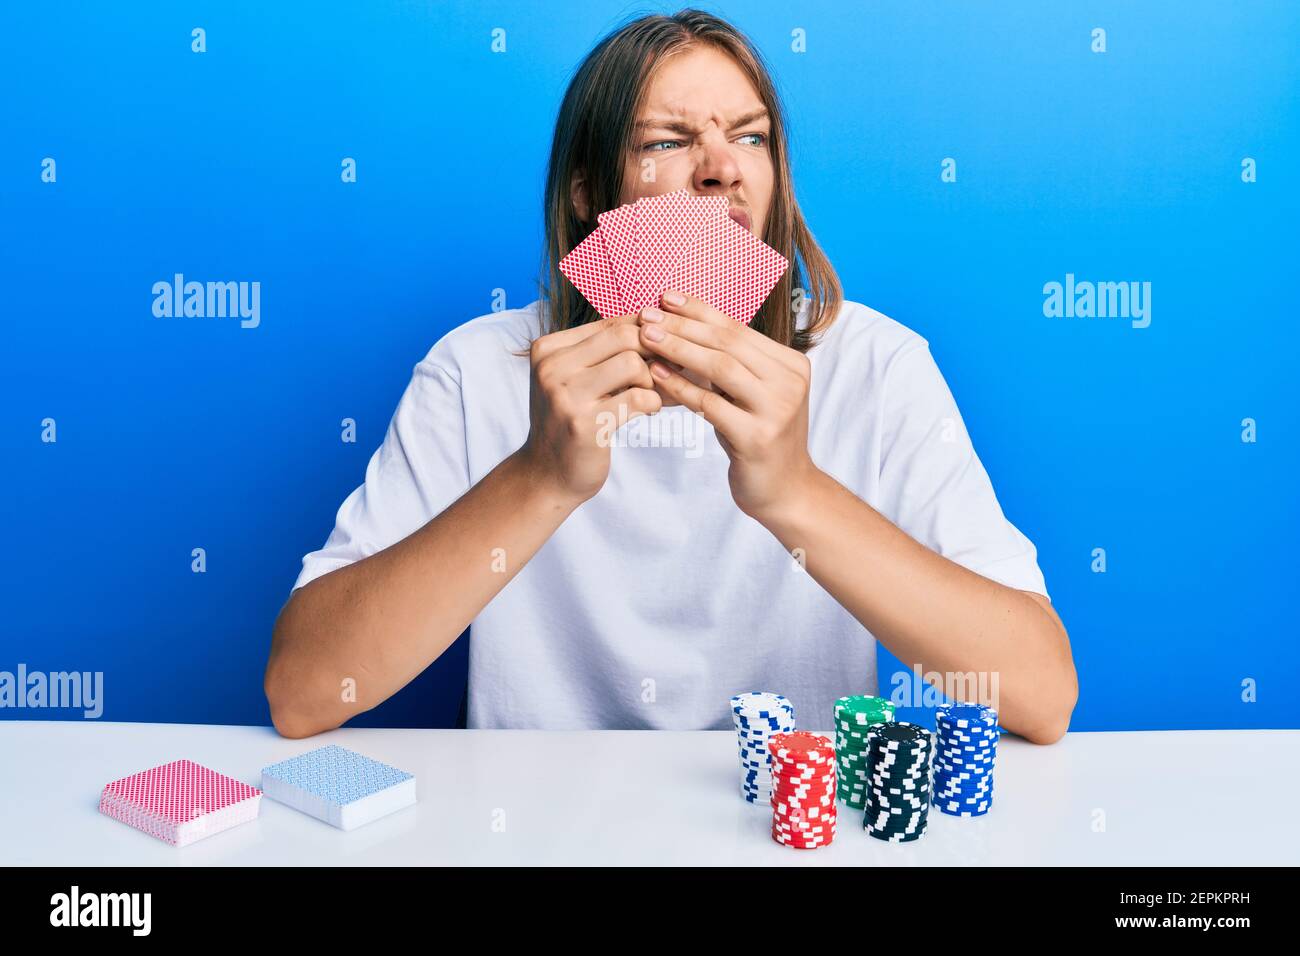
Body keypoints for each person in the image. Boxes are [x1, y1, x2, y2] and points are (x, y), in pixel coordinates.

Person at [265, 9, 1077, 743]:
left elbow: (1042, 694)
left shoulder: (877, 366)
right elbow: (303, 691)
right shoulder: (475, 370)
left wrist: (793, 492)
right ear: (588, 194)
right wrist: (539, 478)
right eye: (667, 141)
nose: (722, 166)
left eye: (751, 137)